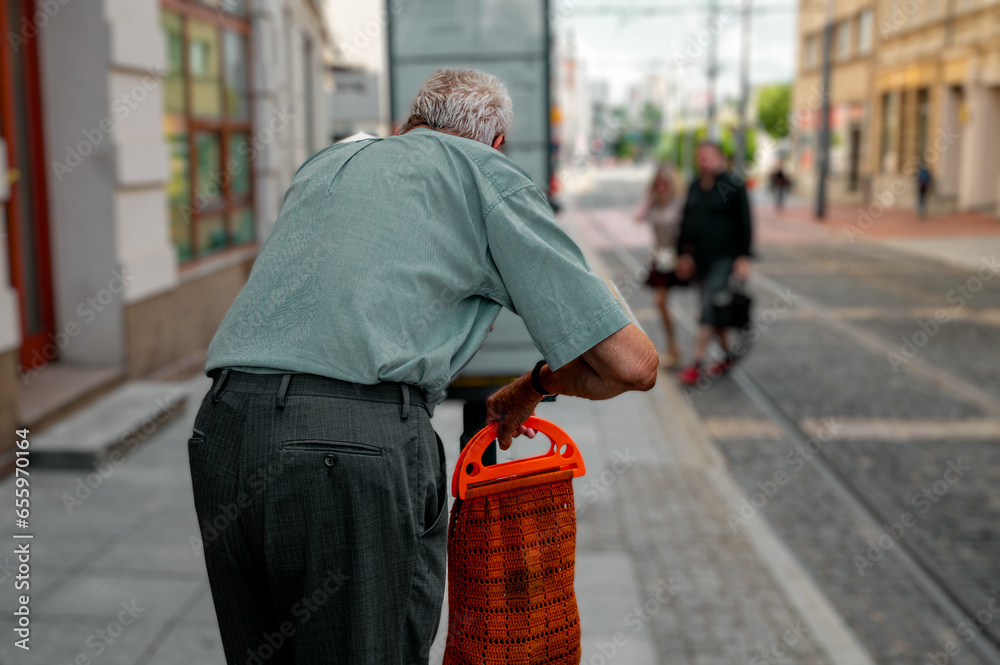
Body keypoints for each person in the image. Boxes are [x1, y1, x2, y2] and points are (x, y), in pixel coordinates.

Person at [187, 68, 658, 665]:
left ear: (405, 127)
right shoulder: (485, 175)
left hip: (225, 429)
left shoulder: (329, 163)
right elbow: (632, 364)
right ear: (496, 146)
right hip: (350, 448)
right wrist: (538, 381)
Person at [675, 141, 753, 386]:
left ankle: (695, 364)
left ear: (720, 158)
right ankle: (728, 355)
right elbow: (686, 221)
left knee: (708, 307)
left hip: (724, 258)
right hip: (699, 259)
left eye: (709, 156)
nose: (704, 161)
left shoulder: (733, 184)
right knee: (713, 308)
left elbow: (745, 222)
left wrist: (743, 256)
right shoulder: (695, 185)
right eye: (701, 156)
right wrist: (683, 254)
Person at [636, 164, 687, 368]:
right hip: (662, 258)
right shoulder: (655, 203)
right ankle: (673, 347)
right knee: (660, 301)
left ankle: (723, 344)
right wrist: (649, 197)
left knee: (705, 302)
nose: (661, 185)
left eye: (665, 182)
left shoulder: (681, 202)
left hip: (681, 257)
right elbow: (638, 217)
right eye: (658, 182)